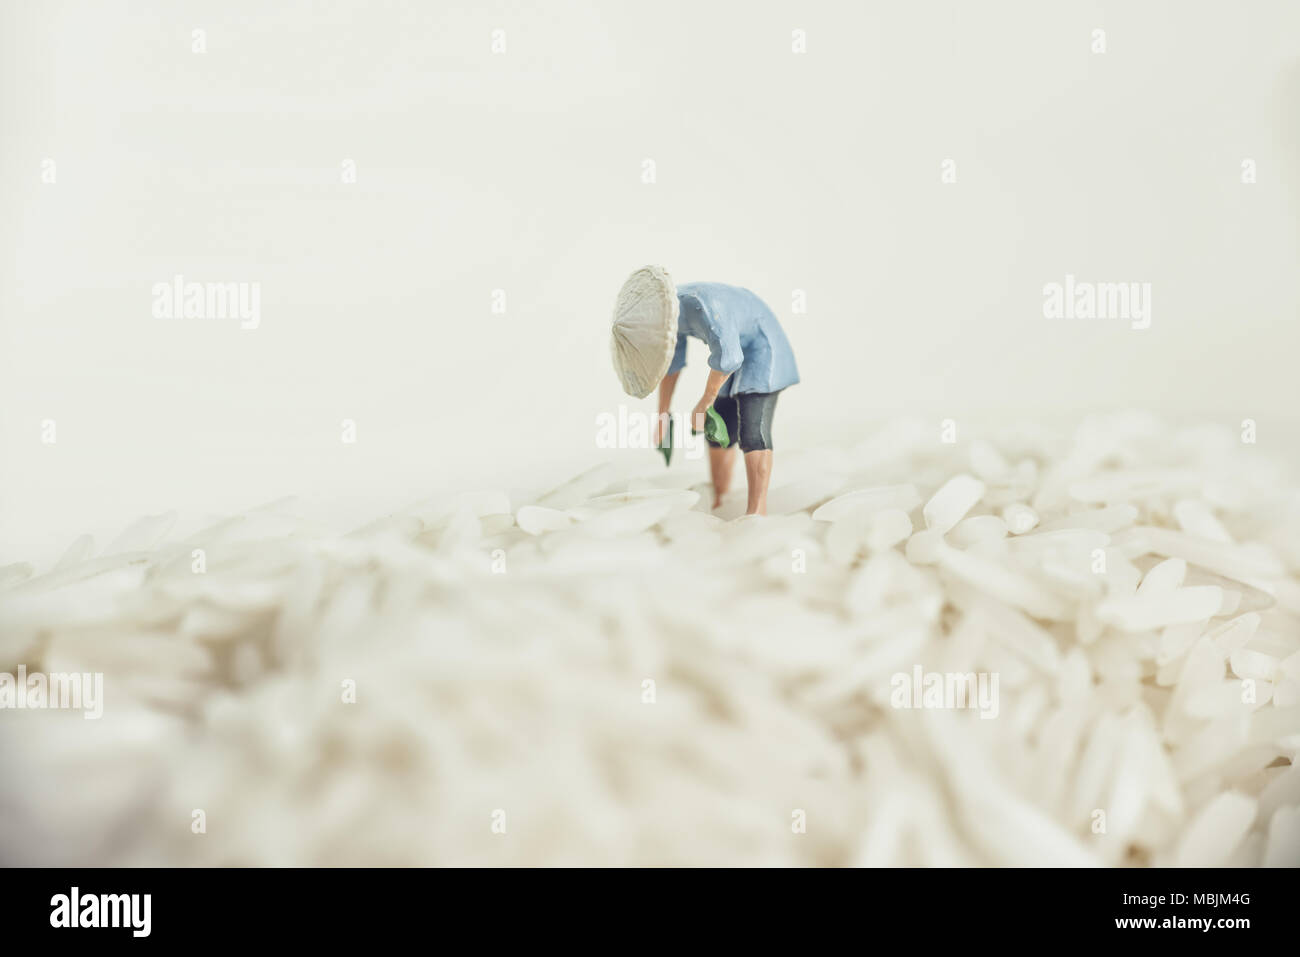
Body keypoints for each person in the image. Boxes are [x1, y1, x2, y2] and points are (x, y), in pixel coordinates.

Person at [610, 268, 799, 515]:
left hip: (763, 348)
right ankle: (721, 499)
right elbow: (671, 364)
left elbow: (729, 358)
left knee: (753, 429)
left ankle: (756, 511)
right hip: (735, 349)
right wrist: (662, 414)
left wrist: (704, 402)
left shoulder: (703, 307)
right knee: (719, 428)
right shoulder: (665, 323)